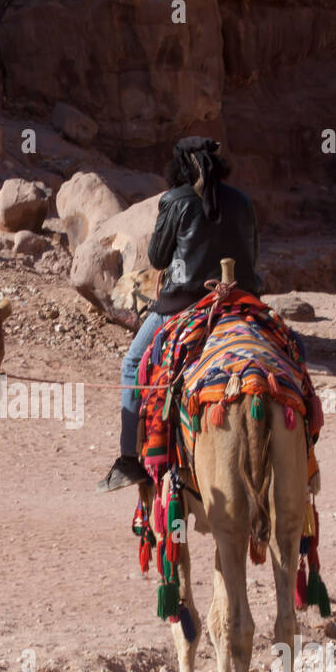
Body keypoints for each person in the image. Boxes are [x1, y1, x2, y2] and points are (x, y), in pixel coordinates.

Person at [97, 136, 262, 491]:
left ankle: (128, 460)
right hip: (241, 300)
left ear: (181, 165)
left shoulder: (175, 200)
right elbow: (254, 256)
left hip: (184, 303)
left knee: (132, 363)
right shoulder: (244, 202)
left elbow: (157, 258)